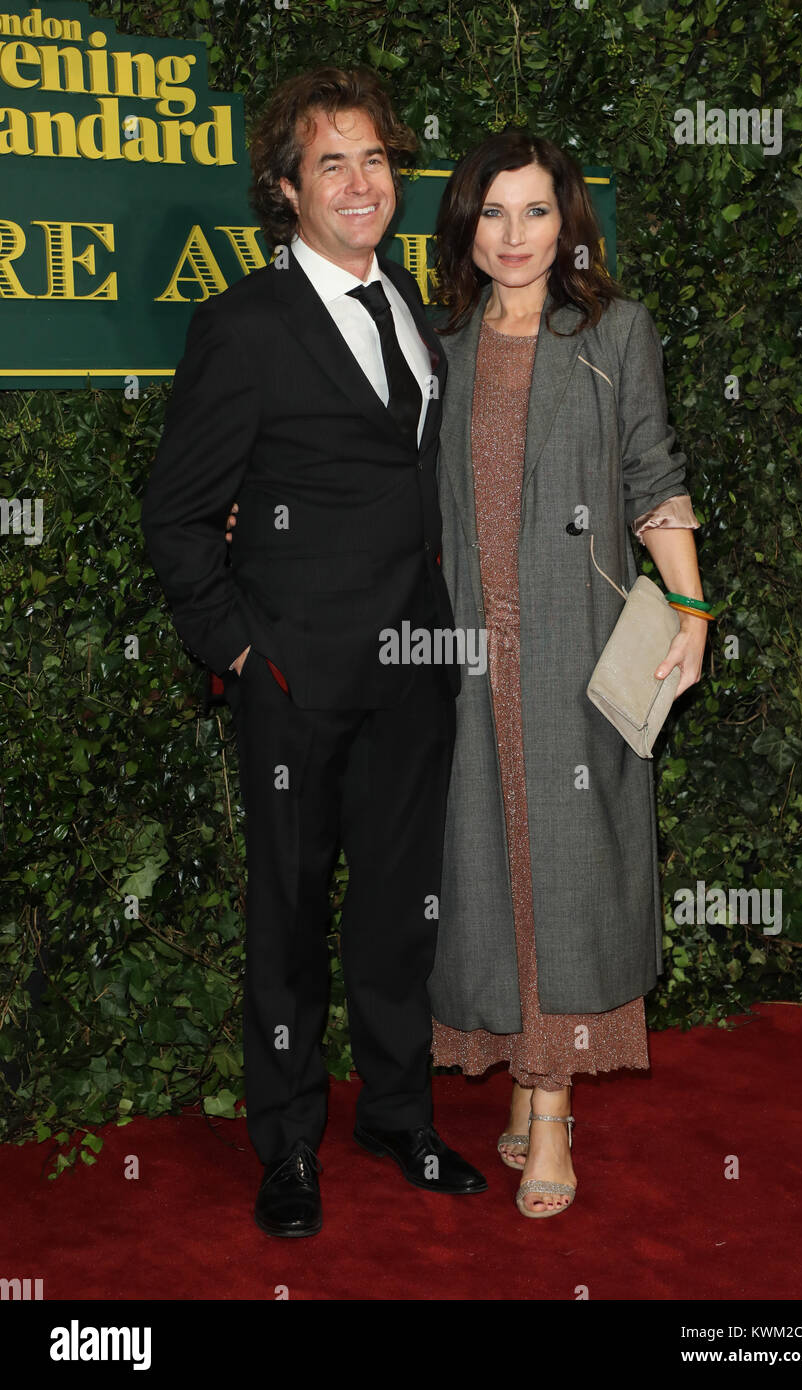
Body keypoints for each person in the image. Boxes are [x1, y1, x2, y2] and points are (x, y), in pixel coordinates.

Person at [141, 66, 486, 1240]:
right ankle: (286, 1144)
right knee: (286, 926)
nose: (360, 182)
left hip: (414, 674)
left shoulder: (420, 312)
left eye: (375, 159)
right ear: (284, 190)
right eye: (329, 162)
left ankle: (395, 1114)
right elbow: (178, 512)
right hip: (292, 680)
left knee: (401, 917)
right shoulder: (242, 325)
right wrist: (235, 653)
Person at [427, 132, 707, 1218]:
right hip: (460, 654)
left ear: (568, 222)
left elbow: (652, 471)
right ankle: (520, 1061)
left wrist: (687, 605)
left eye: (534, 212)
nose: (512, 236)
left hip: (574, 640)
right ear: (464, 228)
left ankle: (550, 1110)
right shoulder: (440, 342)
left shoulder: (609, 333)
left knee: (563, 870)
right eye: (490, 214)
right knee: (489, 869)